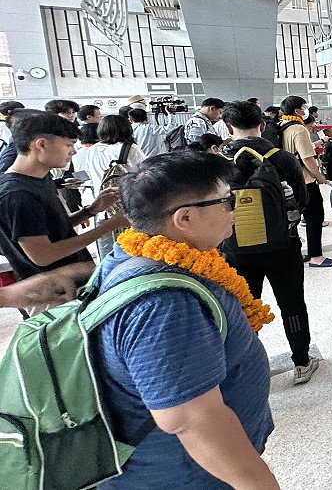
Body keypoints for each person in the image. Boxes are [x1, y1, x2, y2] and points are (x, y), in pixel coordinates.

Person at [91, 151, 281, 488]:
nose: (234, 209)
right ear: (185, 218)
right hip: (190, 476)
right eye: (226, 200)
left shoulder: (132, 255)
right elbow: (192, 420)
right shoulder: (164, 305)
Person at [221, 101, 319, 386]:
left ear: (229, 128)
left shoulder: (218, 164)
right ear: (262, 124)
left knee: (244, 307)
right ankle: (301, 361)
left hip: (235, 250)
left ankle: (247, 367)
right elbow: (303, 200)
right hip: (282, 245)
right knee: (292, 303)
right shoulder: (283, 159)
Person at [0, 111, 125, 297]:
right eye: (68, 144)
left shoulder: (38, 178)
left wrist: (91, 210)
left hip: (73, 285)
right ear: (41, 144)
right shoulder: (18, 195)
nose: (73, 151)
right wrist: (111, 225)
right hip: (52, 295)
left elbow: (51, 230)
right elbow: (43, 255)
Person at [279, 96, 332, 268]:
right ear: (297, 111)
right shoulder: (299, 128)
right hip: (305, 180)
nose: (305, 111)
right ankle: (315, 256)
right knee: (314, 216)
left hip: (288, 179)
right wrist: (320, 177)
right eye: (303, 108)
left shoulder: (282, 126)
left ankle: (296, 253)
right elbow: (307, 158)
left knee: (293, 218)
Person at [85, 115, 147, 258]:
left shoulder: (93, 150)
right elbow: (142, 177)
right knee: (129, 252)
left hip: (101, 206)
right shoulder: (131, 149)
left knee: (106, 254)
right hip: (125, 210)